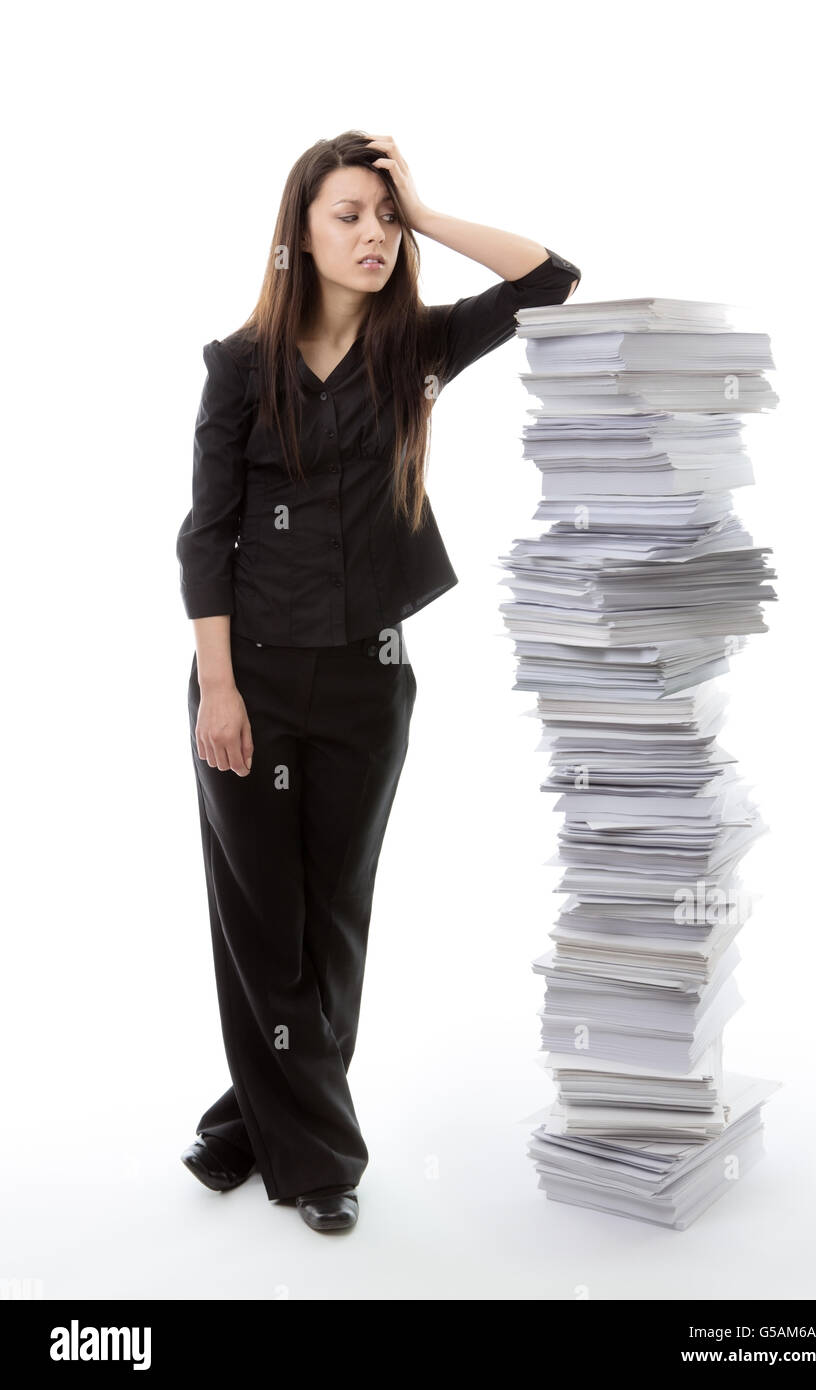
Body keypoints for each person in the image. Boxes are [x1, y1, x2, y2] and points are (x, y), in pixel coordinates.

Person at [175, 130, 580, 1233]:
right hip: (246, 678)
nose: (370, 234)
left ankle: (249, 1123)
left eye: (382, 217)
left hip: (369, 680)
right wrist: (217, 688)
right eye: (346, 215)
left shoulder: (419, 349)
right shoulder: (236, 366)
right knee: (264, 922)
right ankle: (318, 1164)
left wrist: (429, 209)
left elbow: (549, 280)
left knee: (332, 921)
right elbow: (206, 538)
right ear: (298, 236)